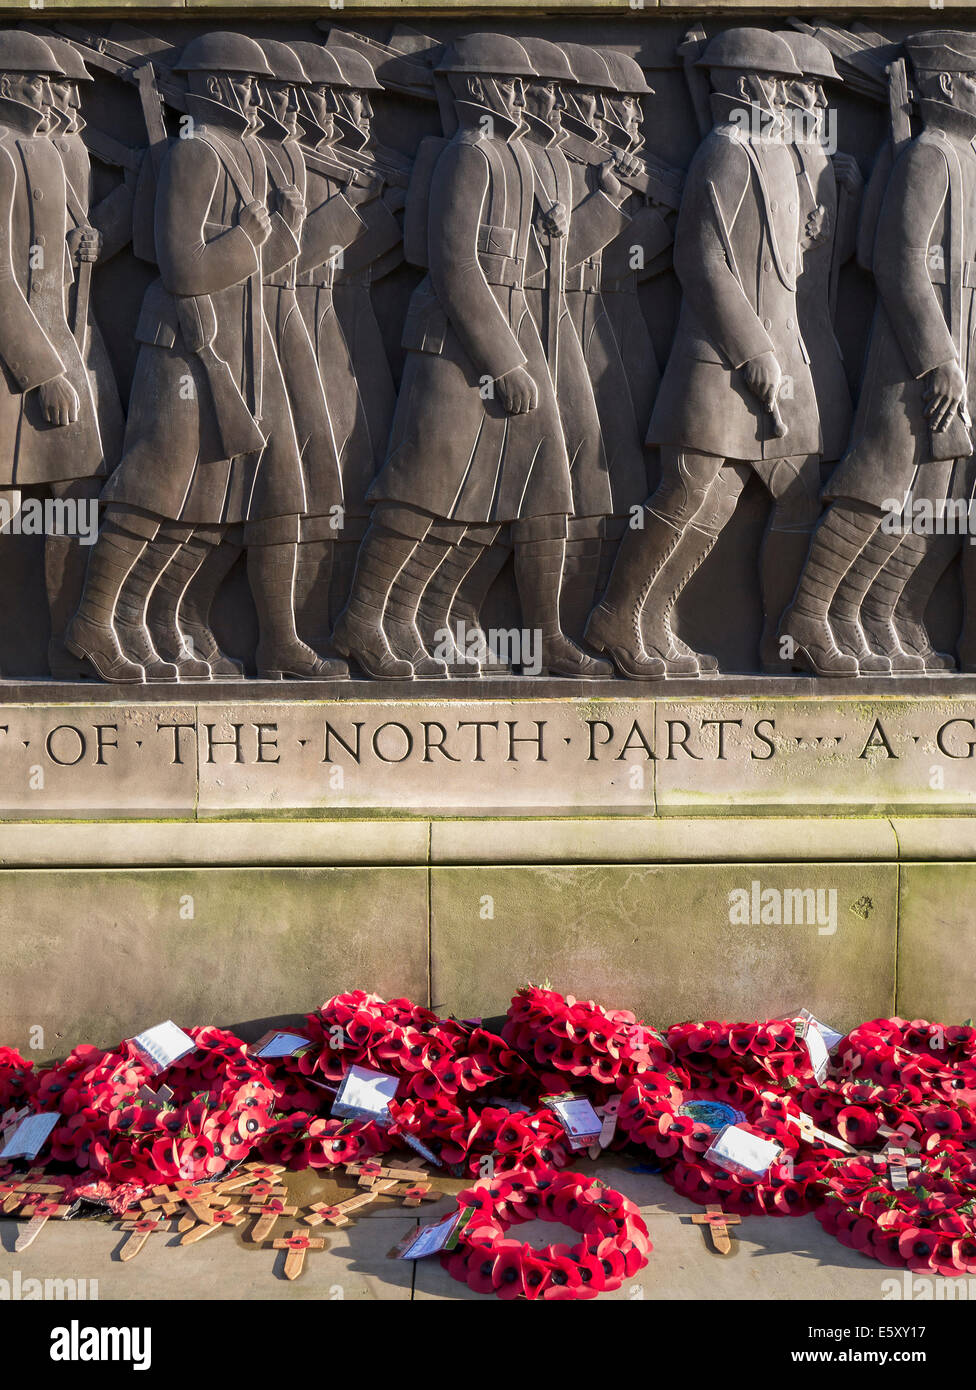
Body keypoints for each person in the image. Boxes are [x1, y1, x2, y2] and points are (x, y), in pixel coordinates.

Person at [334, 33, 599, 680]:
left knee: (514, 487)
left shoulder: (518, 157)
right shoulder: (469, 154)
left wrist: (552, 238)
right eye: (508, 84)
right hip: (457, 339)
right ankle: (360, 622)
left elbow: (518, 267)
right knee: (424, 483)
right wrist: (503, 361)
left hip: (512, 330)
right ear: (478, 87)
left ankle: (418, 619)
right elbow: (455, 266)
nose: (521, 95)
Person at [65, 32, 310, 681]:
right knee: (153, 485)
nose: (260, 95)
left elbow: (269, 262)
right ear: (219, 86)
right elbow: (183, 268)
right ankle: (93, 620)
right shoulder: (192, 155)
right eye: (248, 83)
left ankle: (140, 621)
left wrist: (285, 226)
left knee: (207, 501)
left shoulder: (252, 155)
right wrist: (250, 237)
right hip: (185, 342)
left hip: (238, 347)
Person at [585, 28, 820, 678]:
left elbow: (760, 257)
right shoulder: (725, 150)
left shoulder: (771, 154)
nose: (787, 94)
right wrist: (751, 350)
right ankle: (614, 613)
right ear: (745, 86)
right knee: (687, 489)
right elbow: (701, 257)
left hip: (770, 356)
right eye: (775, 82)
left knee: (718, 499)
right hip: (720, 359)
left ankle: (651, 619)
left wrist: (797, 238)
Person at [781, 30, 976, 675]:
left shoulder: (960, 153)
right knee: (880, 480)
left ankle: (868, 615)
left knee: (933, 496)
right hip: (916, 347)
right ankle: (808, 616)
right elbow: (893, 261)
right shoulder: (930, 153)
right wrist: (936, 358)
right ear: (946, 85)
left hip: (960, 341)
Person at [0, 32, 103, 677]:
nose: (50, 92)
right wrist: (43, 373)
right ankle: (21, 650)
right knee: (10, 505)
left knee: (76, 493)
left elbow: (40, 258)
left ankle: (72, 637)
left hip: (57, 341)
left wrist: (75, 247)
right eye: (37, 82)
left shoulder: (39, 151)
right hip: (17, 368)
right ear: (7, 83)